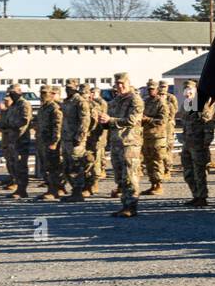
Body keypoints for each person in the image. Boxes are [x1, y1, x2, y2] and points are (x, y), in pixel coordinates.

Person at [100, 73, 145, 218]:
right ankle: (124, 205)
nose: (120, 86)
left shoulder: (135, 100)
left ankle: (131, 207)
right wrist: (104, 122)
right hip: (116, 142)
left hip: (130, 143)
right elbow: (110, 122)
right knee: (120, 176)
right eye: (117, 83)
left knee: (130, 175)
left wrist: (110, 120)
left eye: (122, 83)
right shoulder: (115, 101)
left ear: (128, 82)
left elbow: (132, 120)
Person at [0, 84, 32, 199]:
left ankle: (22, 189)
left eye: (13, 92)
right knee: (13, 165)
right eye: (9, 93)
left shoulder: (24, 104)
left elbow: (24, 121)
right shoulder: (13, 106)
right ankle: (18, 186)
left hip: (20, 139)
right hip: (11, 139)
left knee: (21, 165)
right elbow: (5, 120)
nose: (10, 95)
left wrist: (9, 127)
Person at [60, 79, 92, 202]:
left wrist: (79, 137)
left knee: (77, 166)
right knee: (67, 166)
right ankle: (75, 190)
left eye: (71, 87)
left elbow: (85, 120)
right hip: (66, 138)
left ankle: (78, 192)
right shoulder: (67, 101)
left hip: (75, 140)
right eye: (67, 87)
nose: (68, 90)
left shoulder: (80, 101)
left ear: (76, 88)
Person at [35, 86, 63, 201]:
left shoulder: (54, 108)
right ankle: (51, 188)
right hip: (42, 141)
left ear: (52, 94)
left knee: (53, 166)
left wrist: (55, 142)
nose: (43, 95)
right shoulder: (43, 108)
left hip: (51, 142)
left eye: (46, 93)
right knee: (45, 166)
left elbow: (58, 126)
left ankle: (54, 190)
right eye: (42, 93)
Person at [140, 80, 168, 196]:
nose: (150, 91)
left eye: (152, 89)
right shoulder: (145, 101)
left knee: (157, 161)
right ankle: (153, 184)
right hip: (146, 136)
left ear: (157, 90)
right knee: (148, 161)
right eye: (149, 89)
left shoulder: (161, 103)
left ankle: (159, 184)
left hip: (157, 137)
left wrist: (148, 119)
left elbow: (163, 120)